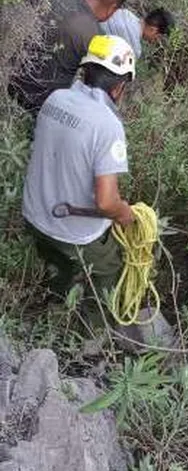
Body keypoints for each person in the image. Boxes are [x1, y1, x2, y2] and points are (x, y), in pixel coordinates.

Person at [22, 34, 137, 310]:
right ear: (119, 87)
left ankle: (58, 300)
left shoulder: (56, 98)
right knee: (110, 268)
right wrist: (126, 214)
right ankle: (94, 335)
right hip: (71, 232)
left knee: (59, 264)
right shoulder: (107, 125)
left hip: (34, 216)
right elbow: (107, 202)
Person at [7, 0, 127, 117]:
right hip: (36, 107)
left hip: (6, 76)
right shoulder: (96, 37)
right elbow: (95, 86)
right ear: (112, 8)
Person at [100, 6, 175, 59]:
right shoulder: (133, 49)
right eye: (159, 37)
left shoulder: (125, 13)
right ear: (153, 30)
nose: (157, 41)